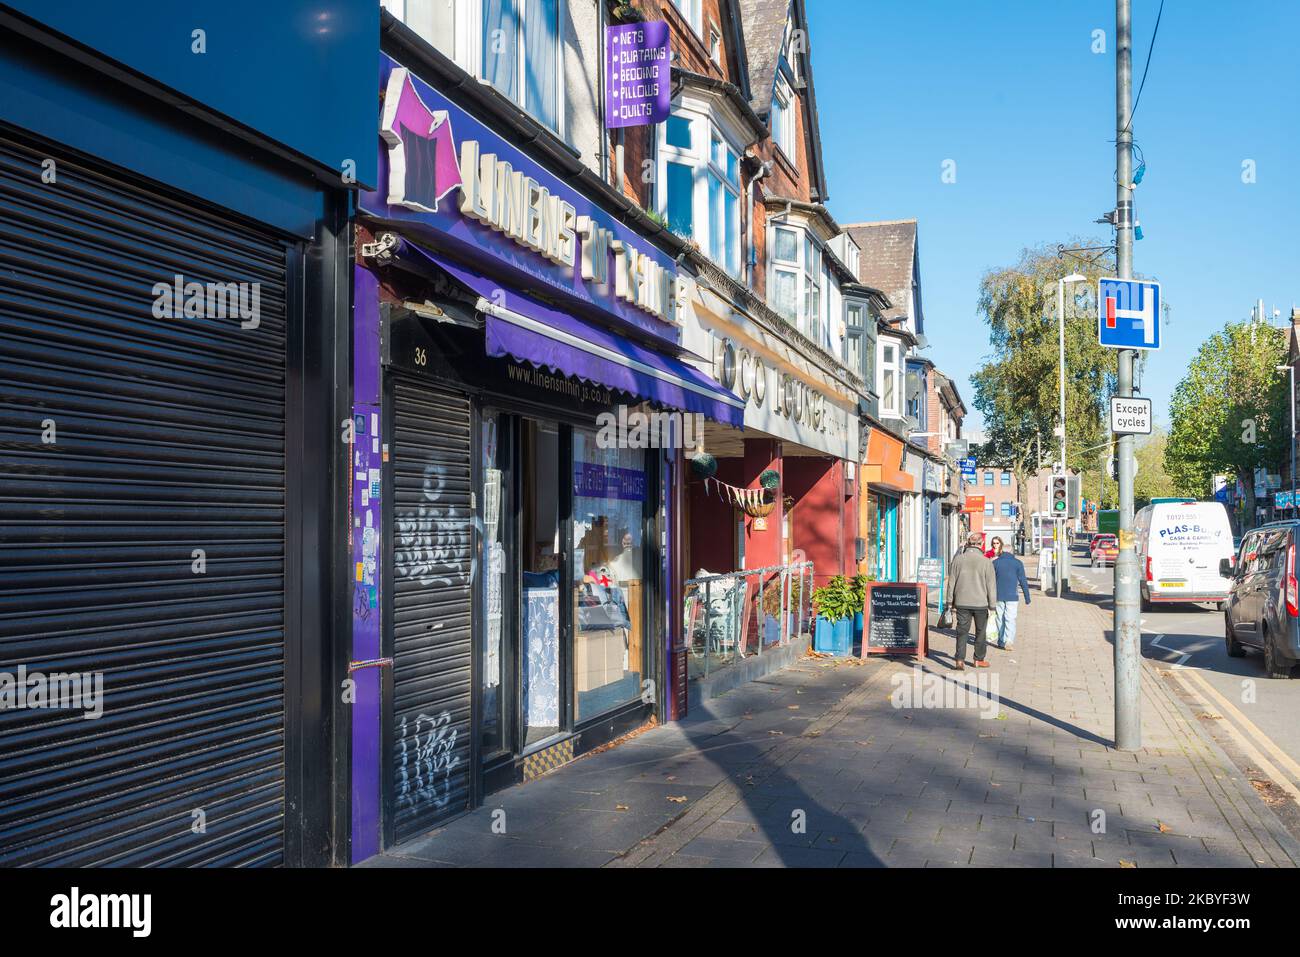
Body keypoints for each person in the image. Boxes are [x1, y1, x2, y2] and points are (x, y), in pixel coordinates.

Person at [944, 531, 998, 670]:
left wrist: (949, 602)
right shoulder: (986, 562)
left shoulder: (958, 560)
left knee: (962, 631)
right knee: (981, 632)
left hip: (962, 602)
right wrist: (992, 606)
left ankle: (959, 660)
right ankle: (978, 660)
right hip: (981, 603)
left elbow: (951, 583)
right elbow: (991, 586)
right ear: (981, 544)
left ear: (968, 543)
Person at [992, 541, 1032, 649]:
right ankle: (1009, 640)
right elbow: (1023, 580)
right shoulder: (1018, 563)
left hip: (998, 595)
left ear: (1002, 551)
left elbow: (990, 581)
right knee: (1010, 618)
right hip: (1012, 596)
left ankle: (1001, 640)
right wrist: (1027, 597)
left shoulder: (995, 563)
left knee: (999, 618)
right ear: (1011, 551)